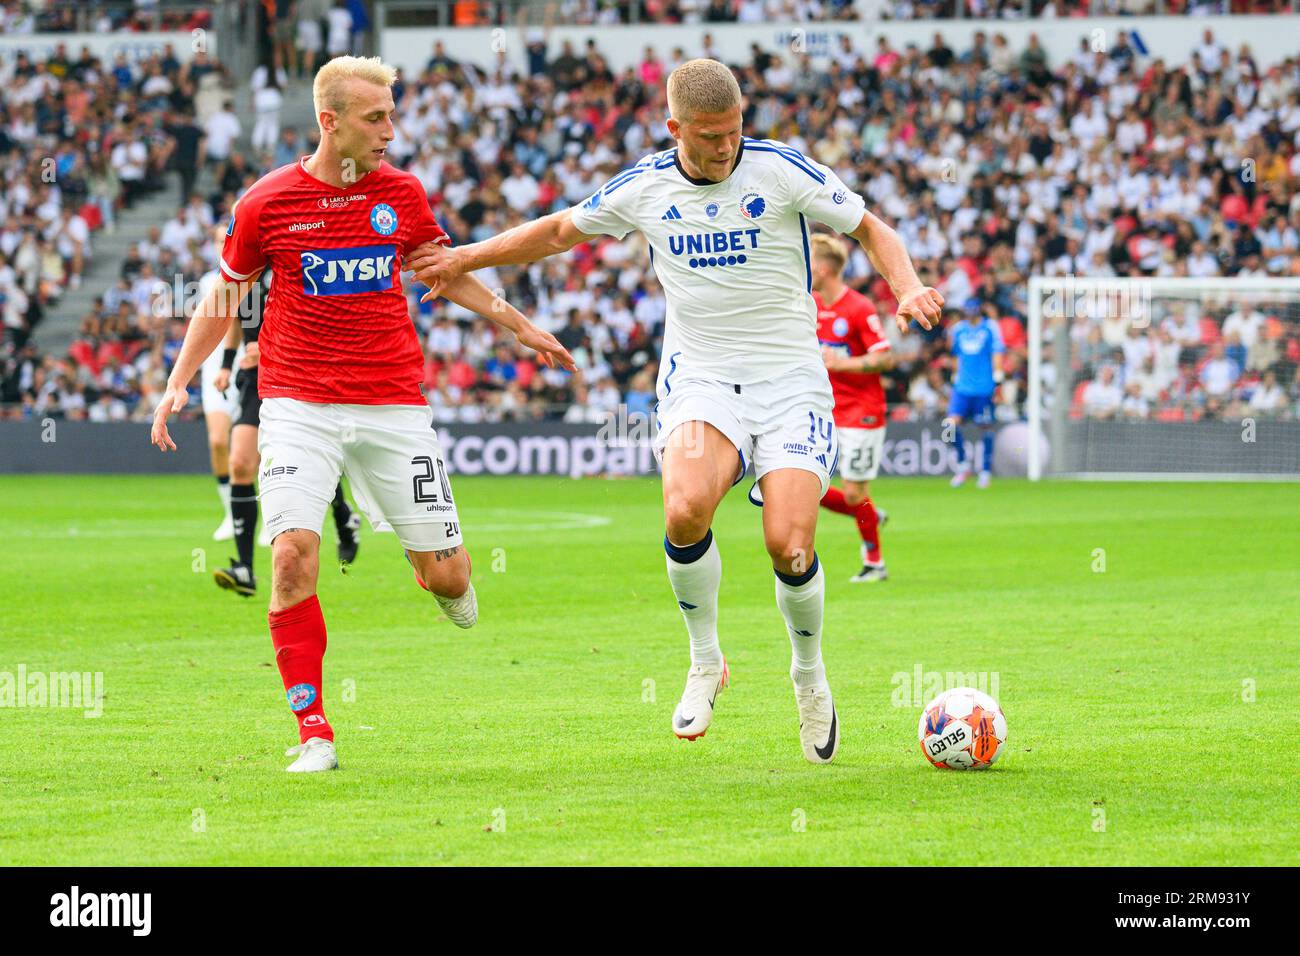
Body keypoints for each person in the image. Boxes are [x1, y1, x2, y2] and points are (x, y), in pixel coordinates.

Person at [408, 59, 942, 764]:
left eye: (735, 132)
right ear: (675, 129)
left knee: (791, 544)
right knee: (685, 508)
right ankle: (705, 660)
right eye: (710, 136)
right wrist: (465, 258)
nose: (726, 148)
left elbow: (872, 228)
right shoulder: (646, 185)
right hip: (702, 377)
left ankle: (808, 674)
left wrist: (906, 288)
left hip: (790, 381)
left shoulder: (781, 169)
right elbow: (559, 232)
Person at [151, 56, 574, 772]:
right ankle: (314, 731)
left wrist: (517, 323)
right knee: (290, 558)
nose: (390, 130)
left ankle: (433, 567)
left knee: (448, 577)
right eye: (376, 117)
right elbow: (222, 295)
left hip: (392, 407)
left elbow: (444, 271)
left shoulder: (401, 194)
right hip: (297, 405)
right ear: (330, 122)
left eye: (392, 113)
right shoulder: (266, 203)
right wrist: (177, 380)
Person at [810, 234, 893, 584]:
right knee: (804, 486)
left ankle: (875, 562)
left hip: (862, 411)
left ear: (825, 269)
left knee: (857, 493)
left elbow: (885, 357)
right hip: (823, 409)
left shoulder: (858, 308)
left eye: (809, 260)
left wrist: (842, 365)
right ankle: (869, 515)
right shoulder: (808, 304)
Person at [946, 297, 1004, 489]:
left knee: (986, 428)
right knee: (949, 426)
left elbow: (997, 351)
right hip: (962, 387)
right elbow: (955, 354)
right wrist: (955, 374)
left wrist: (997, 375)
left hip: (983, 387)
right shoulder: (959, 329)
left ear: (979, 310)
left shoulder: (990, 327)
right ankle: (963, 465)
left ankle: (985, 471)